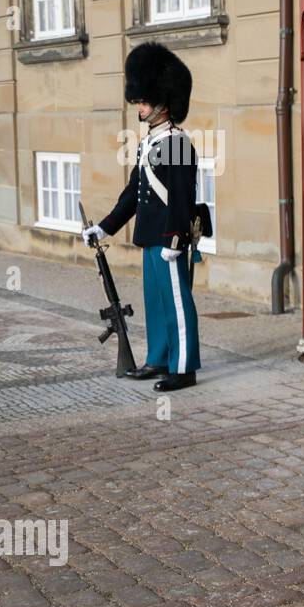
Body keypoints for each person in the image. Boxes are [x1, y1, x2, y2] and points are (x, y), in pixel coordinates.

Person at [82, 42, 201, 392]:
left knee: (177, 303)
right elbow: (134, 193)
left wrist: (176, 240)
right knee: (156, 303)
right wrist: (104, 228)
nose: (140, 105)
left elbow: (182, 198)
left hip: (168, 238)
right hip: (150, 236)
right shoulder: (149, 143)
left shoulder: (178, 143)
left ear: (164, 102)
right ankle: (160, 359)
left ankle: (184, 367)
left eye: (145, 100)